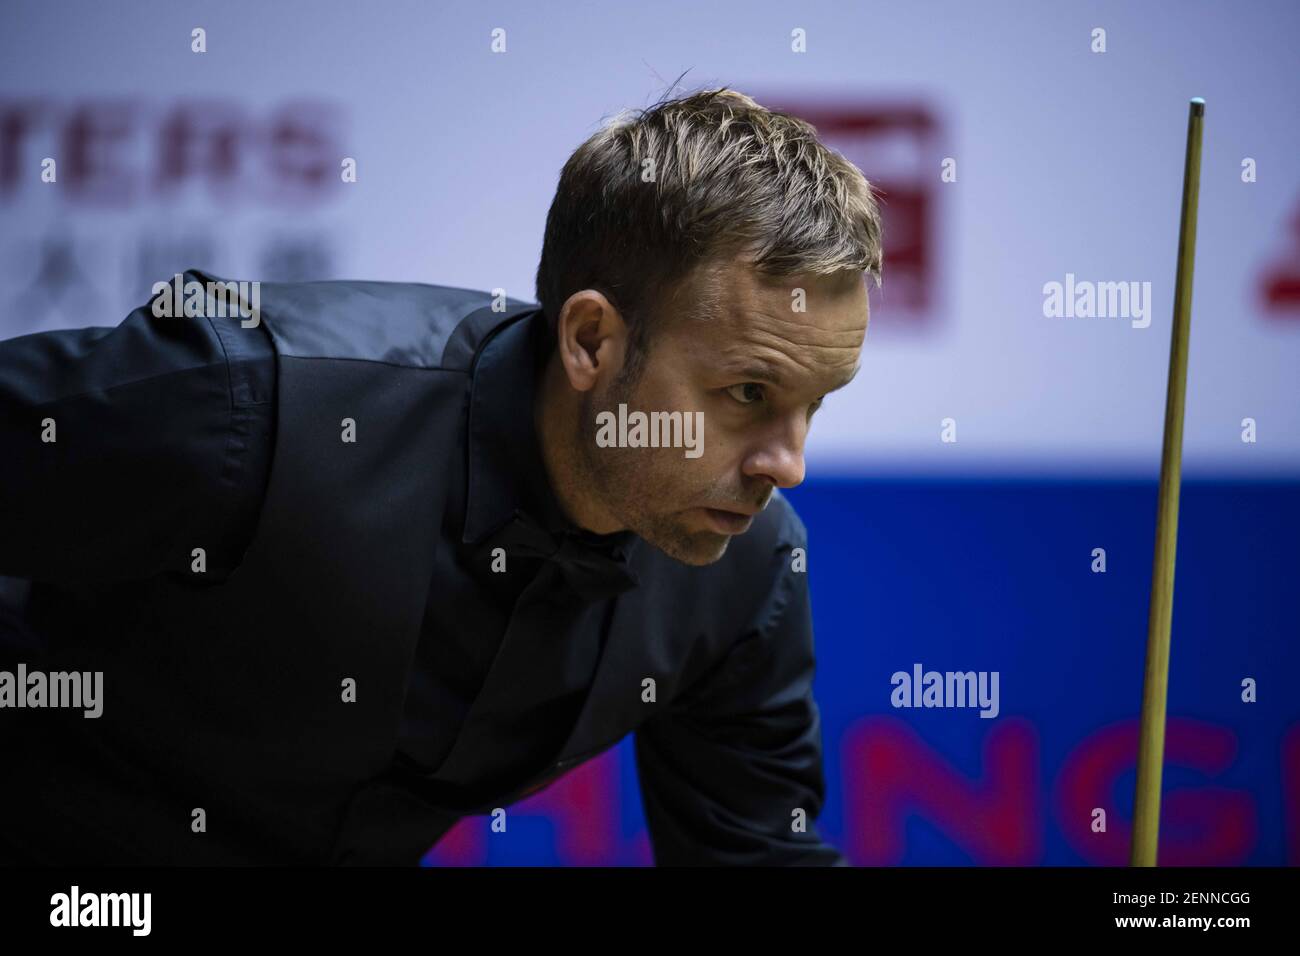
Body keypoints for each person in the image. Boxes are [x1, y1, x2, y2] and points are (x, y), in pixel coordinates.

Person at [0, 87, 882, 865]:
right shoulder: (252, 403)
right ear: (590, 342)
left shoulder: (746, 568)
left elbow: (758, 855)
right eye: (747, 393)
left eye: (817, 402)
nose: (788, 464)